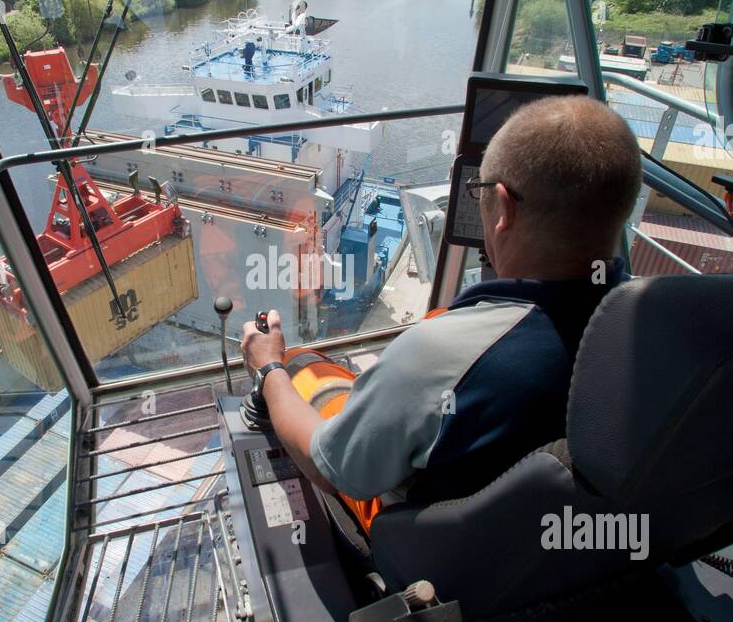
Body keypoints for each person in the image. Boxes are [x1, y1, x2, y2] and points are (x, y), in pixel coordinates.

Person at [241, 95, 643, 543]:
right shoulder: (654, 324)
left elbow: (331, 466)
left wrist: (270, 367)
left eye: (481, 193)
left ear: (504, 208)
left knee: (303, 367)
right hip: (562, 556)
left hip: (436, 561)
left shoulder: (438, 356)